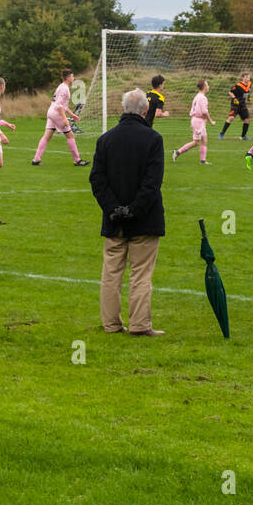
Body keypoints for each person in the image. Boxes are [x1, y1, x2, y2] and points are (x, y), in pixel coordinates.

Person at [89, 89, 166, 336]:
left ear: (123, 109)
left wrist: (114, 209)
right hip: (144, 220)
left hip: (114, 221)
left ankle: (111, 324)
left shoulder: (106, 140)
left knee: (111, 274)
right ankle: (140, 325)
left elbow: (97, 181)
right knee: (141, 275)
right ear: (145, 110)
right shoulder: (153, 139)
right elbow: (152, 183)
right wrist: (133, 210)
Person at [32, 69, 89, 167]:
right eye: (72, 76)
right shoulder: (64, 88)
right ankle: (77, 160)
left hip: (51, 112)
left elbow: (62, 105)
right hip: (56, 113)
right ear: (67, 77)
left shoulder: (62, 86)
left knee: (47, 136)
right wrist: (64, 119)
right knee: (70, 135)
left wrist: (71, 115)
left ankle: (36, 159)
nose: (73, 78)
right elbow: (58, 105)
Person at [174, 79, 215, 163]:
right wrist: (211, 121)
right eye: (207, 85)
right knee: (196, 142)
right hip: (198, 121)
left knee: (204, 140)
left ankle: (203, 160)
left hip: (198, 121)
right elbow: (204, 112)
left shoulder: (198, 96)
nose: (208, 86)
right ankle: (177, 152)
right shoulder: (202, 98)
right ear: (204, 87)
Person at [218, 74, 253, 141]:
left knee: (247, 120)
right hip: (235, 104)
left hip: (243, 104)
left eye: (249, 77)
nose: (248, 78)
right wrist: (234, 98)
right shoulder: (238, 85)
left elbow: (247, 92)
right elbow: (230, 92)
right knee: (231, 118)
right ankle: (221, 134)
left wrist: (248, 97)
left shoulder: (249, 84)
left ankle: (243, 136)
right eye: (246, 77)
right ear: (242, 78)